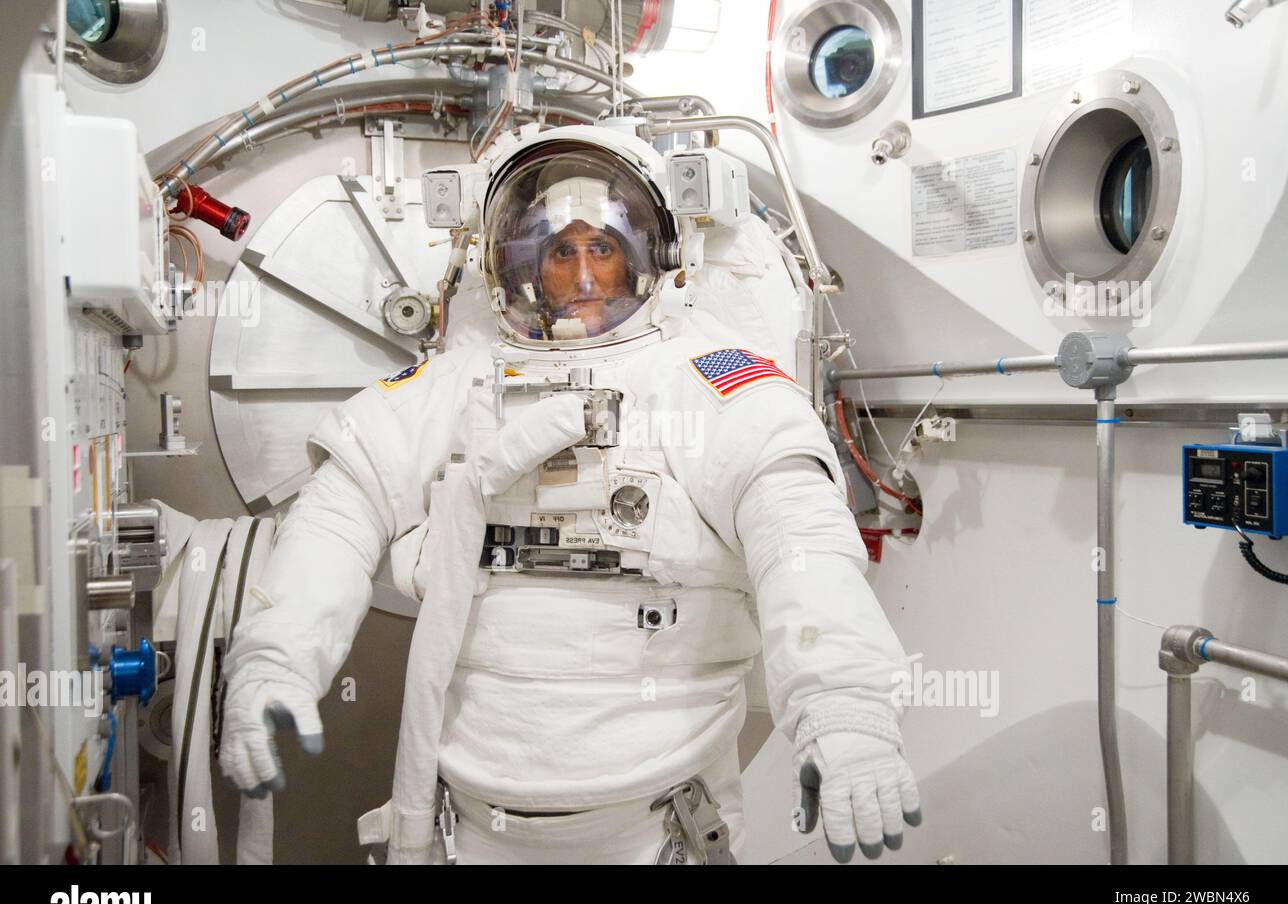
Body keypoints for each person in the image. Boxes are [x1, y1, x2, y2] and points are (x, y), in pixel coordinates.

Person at [218, 123, 921, 864]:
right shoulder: (456, 385)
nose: (584, 275)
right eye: (561, 252)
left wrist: (844, 707)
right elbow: (342, 506)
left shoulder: (704, 380)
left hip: (660, 830)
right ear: (519, 266)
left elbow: (799, 541)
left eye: (602, 248)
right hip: (474, 831)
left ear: (648, 258)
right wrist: (277, 657)